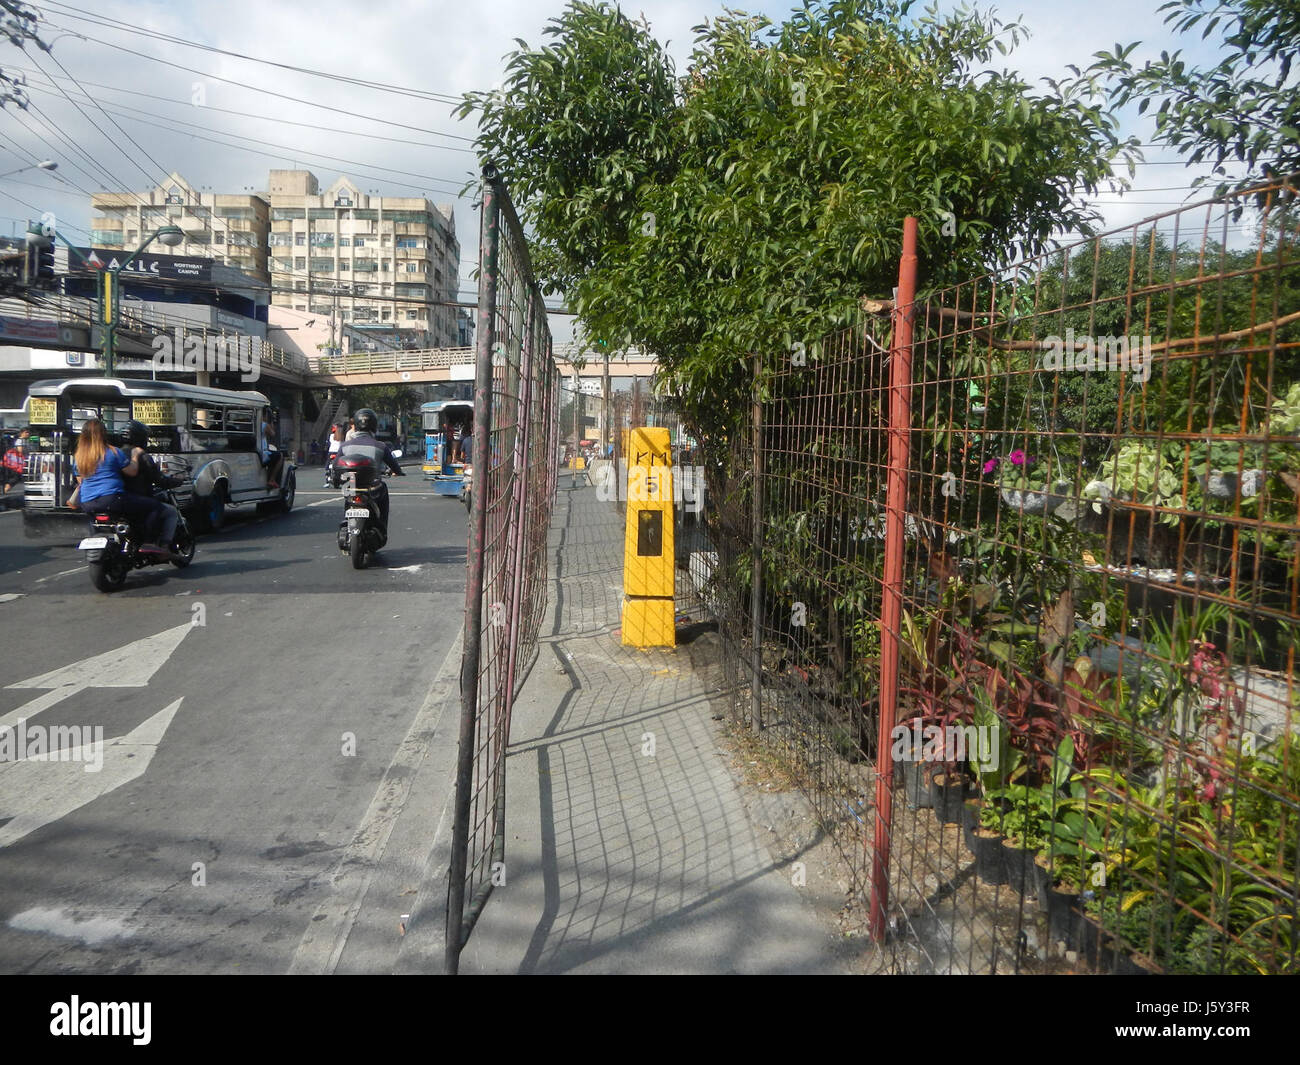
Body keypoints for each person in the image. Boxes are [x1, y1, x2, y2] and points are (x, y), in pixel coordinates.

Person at [72, 417, 166, 545]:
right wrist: (135, 455)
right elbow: (132, 472)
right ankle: (148, 543)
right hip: (112, 499)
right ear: (103, 434)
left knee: (94, 519)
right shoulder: (113, 452)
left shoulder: (79, 457)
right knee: (155, 506)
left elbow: (81, 481)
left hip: (87, 502)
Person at [334, 408, 403, 535]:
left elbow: (335, 466)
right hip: (373, 488)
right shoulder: (381, 446)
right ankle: (382, 528)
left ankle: (347, 520)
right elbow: (395, 466)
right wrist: (398, 472)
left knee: (347, 499)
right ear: (374, 426)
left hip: (350, 487)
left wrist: (336, 479)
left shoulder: (344, 446)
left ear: (356, 425)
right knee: (383, 489)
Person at [121, 420, 181, 550]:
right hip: (138, 497)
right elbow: (159, 480)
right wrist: (177, 481)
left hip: (119, 498)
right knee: (170, 512)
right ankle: (160, 545)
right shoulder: (142, 456)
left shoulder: (117, 454)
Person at [1, 429, 25, 494]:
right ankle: (7, 487)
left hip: (7, 462)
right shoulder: (18, 441)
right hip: (12, 463)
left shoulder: (6, 442)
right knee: (15, 477)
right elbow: (20, 451)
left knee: (12, 477)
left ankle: (6, 487)